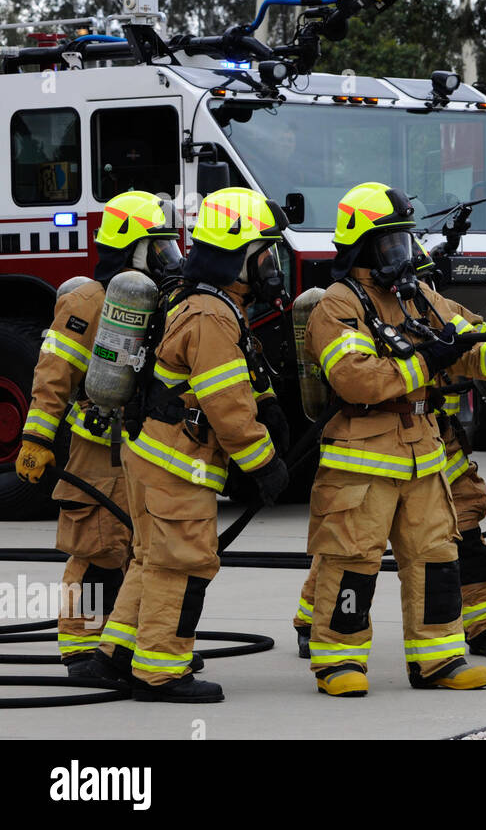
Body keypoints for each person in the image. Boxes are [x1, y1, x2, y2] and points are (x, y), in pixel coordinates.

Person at [302, 181, 486, 696]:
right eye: (391, 243)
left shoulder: (416, 295)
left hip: (422, 452)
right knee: (354, 560)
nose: (403, 252)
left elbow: (468, 338)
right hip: (362, 456)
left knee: (436, 556)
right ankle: (338, 662)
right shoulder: (338, 304)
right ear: (363, 247)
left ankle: (439, 659)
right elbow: (357, 377)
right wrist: (425, 362)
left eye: (405, 240)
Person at [91, 187, 292, 702]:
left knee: (151, 557)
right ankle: (161, 671)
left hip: (153, 454)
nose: (271, 265)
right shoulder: (211, 314)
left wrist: (267, 404)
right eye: (262, 253)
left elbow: (234, 383)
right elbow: (226, 407)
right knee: (183, 562)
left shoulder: (204, 301)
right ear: (236, 256)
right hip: (178, 461)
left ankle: (118, 654)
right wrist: (264, 464)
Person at [17, 191, 184, 675]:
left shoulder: (160, 302)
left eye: (169, 249)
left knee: (139, 547)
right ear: (129, 248)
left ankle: (121, 643)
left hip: (146, 447)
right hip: (98, 450)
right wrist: (37, 439)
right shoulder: (87, 300)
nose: (166, 260)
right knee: (96, 547)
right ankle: (80, 647)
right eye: (157, 249)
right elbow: (54, 375)